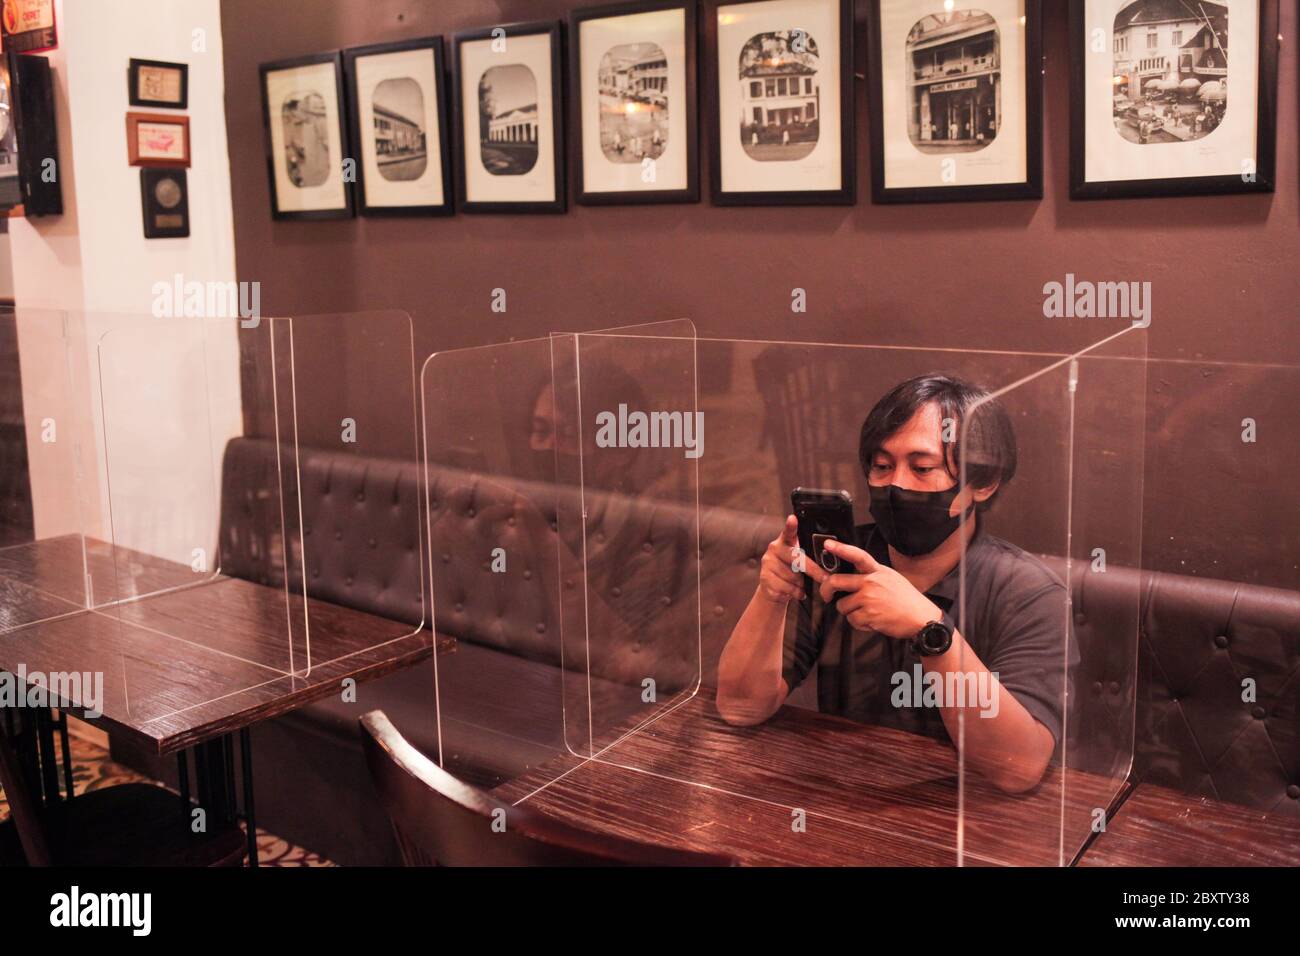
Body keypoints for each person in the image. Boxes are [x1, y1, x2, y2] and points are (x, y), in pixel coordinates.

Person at [716, 374, 1077, 793]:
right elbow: (740, 709)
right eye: (882, 467)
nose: (897, 485)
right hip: (838, 797)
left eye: (922, 468)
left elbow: (1017, 768)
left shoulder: (1027, 592)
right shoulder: (838, 561)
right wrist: (771, 594)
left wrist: (931, 630)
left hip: (965, 822)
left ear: (983, 483)